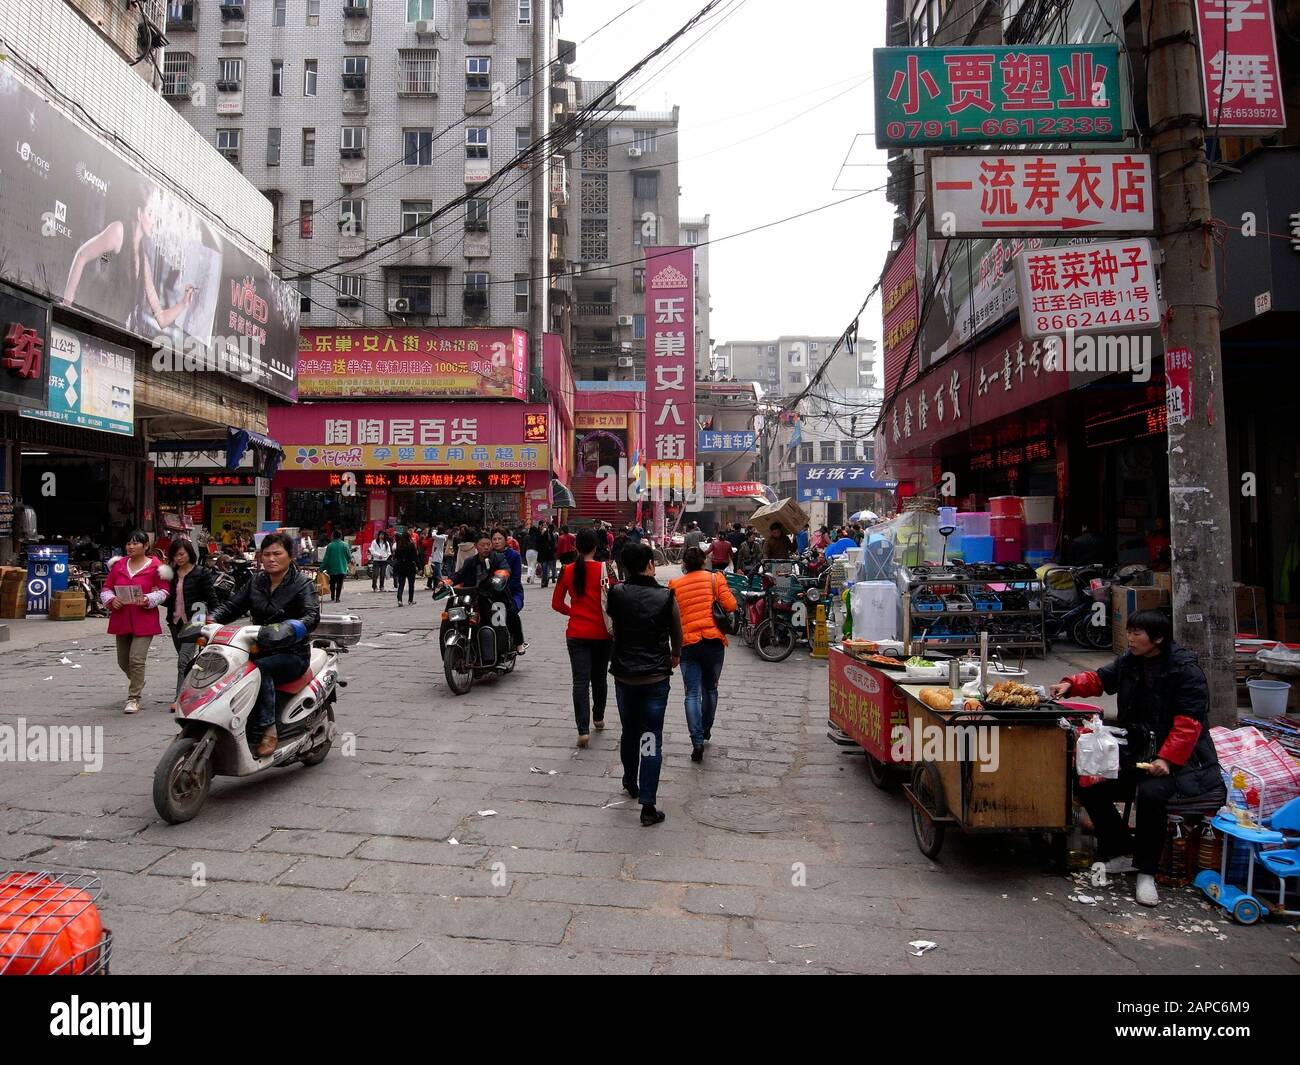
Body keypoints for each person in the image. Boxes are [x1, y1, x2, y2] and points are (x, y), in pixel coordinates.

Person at [1050, 609, 1225, 908]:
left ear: (1157, 638)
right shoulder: (1130, 661)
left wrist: (1167, 760)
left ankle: (1147, 872)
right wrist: (1071, 684)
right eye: (1129, 631)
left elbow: (1189, 724)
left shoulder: (1185, 671)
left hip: (1183, 761)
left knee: (1151, 794)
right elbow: (1100, 678)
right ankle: (1122, 850)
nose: (1130, 638)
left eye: (1136, 633)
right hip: (1137, 749)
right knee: (1088, 783)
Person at [210, 532, 320, 757]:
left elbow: (311, 616)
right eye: (266, 554)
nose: (271, 559)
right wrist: (213, 619)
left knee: (261, 670)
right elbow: (233, 606)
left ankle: (269, 730)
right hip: (258, 647)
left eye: (277, 553)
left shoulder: (302, 583)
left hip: (292, 653)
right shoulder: (256, 581)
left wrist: (291, 628)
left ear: (290, 556)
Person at [605, 542, 683, 827]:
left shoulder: (616, 593)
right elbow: (677, 634)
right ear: (651, 564)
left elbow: (612, 626)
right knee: (650, 736)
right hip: (655, 678)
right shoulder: (666, 597)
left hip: (624, 676)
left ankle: (629, 779)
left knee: (629, 730)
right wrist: (675, 655)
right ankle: (647, 804)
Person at [669, 546, 737, 762]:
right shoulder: (716, 579)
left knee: (691, 694)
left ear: (684, 565)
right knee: (710, 689)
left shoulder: (675, 585)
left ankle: (696, 741)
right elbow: (732, 605)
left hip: (688, 644)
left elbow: (670, 617)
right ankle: (706, 729)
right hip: (713, 642)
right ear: (703, 562)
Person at [552, 527, 612, 748]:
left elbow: (556, 604)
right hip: (602, 634)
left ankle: (582, 730)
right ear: (596, 547)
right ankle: (598, 717)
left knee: (580, 681)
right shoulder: (607, 570)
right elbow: (615, 598)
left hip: (576, 633)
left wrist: (574, 612)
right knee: (599, 678)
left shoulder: (567, 571)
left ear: (576, 547)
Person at [100, 530, 170, 714]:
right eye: (128, 543)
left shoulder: (157, 567)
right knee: (123, 661)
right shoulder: (119, 565)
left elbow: (164, 591)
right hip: (121, 617)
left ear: (146, 546)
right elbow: (107, 588)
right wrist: (110, 600)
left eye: (135, 543)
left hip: (144, 619)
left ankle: (133, 697)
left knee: (136, 659)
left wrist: (148, 599)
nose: (130, 547)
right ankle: (138, 680)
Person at [164, 538, 217, 713]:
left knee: (183, 661)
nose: (178, 558)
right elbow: (166, 597)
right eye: (175, 555)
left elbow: (211, 598)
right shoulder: (170, 573)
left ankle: (179, 698)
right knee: (186, 660)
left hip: (195, 620)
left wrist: (214, 616)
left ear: (189, 553)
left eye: (181, 554)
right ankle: (198, 687)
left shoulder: (201, 573)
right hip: (175, 621)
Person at [490, 529, 528, 653]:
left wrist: (501, 589)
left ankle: (519, 642)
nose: (496, 542)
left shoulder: (514, 556)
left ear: (505, 540)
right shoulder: (487, 555)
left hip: (512, 593)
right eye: (494, 539)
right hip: (491, 594)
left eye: (499, 539)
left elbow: (516, 579)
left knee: (511, 613)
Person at [392, 530, 420, 607]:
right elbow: (415, 557)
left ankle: (399, 600)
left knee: (401, 584)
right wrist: (420, 567)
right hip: (410, 566)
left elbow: (396, 557)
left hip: (401, 566)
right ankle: (410, 600)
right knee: (411, 584)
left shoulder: (399, 545)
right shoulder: (411, 545)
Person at [321, 530, 350, 603]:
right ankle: (337, 598)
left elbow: (326, 558)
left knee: (332, 583)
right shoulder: (345, 545)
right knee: (340, 583)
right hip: (342, 568)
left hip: (332, 568)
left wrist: (321, 568)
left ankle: (332, 596)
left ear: (333, 536)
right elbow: (349, 556)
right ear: (340, 536)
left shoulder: (330, 545)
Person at [536, 520, 558, 587]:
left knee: (545, 566)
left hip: (548, 553)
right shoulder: (538, 533)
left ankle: (544, 580)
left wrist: (552, 550)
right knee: (544, 567)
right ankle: (546, 579)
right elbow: (537, 543)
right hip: (541, 553)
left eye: (545, 525)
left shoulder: (549, 533)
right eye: (543, 525)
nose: (544, 526)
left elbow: (553, 543)